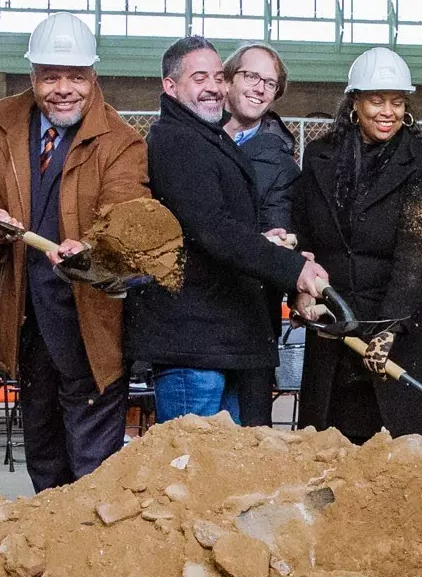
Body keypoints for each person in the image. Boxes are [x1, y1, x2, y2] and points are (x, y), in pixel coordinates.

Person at [0, 12, 145, 489]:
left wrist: (91, 246)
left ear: (93, 76)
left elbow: (125, 217)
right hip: (26, 319)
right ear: (33, 76)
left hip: (90, 324)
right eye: (51, 76)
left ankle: (91, 556)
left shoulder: (122, 141)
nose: (64, 88)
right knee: (43, 455)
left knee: (92, 467)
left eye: (76, 76)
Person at [137, 36, 329, 424]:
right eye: (199, 77)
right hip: (196, 336)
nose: (212, 86)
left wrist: (284, 254)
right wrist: (288, 265)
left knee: (233, 464)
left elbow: (244, 227)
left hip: (236, 332)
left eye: (270, 83)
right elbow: (211, 228)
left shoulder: (246, 150)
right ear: (171, 86)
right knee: (194, 465)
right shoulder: (182, 141)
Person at [289, 48, 422, 440]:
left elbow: (417, 254)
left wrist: (389, 328)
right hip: (334, 327)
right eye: (376, 100)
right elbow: (304, 230)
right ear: (354, 101)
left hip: (395, 331)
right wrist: (302, 290)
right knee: (330, 447)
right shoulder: (320, 157)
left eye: (396, 101)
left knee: (396, 449)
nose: (387, 112)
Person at [221, 43, 299, 235]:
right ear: (227, 81)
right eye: (252, 77)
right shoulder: (192, 139)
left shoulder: (283, 167)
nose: (260, 89)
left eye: (270, 83)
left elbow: (276, 230)